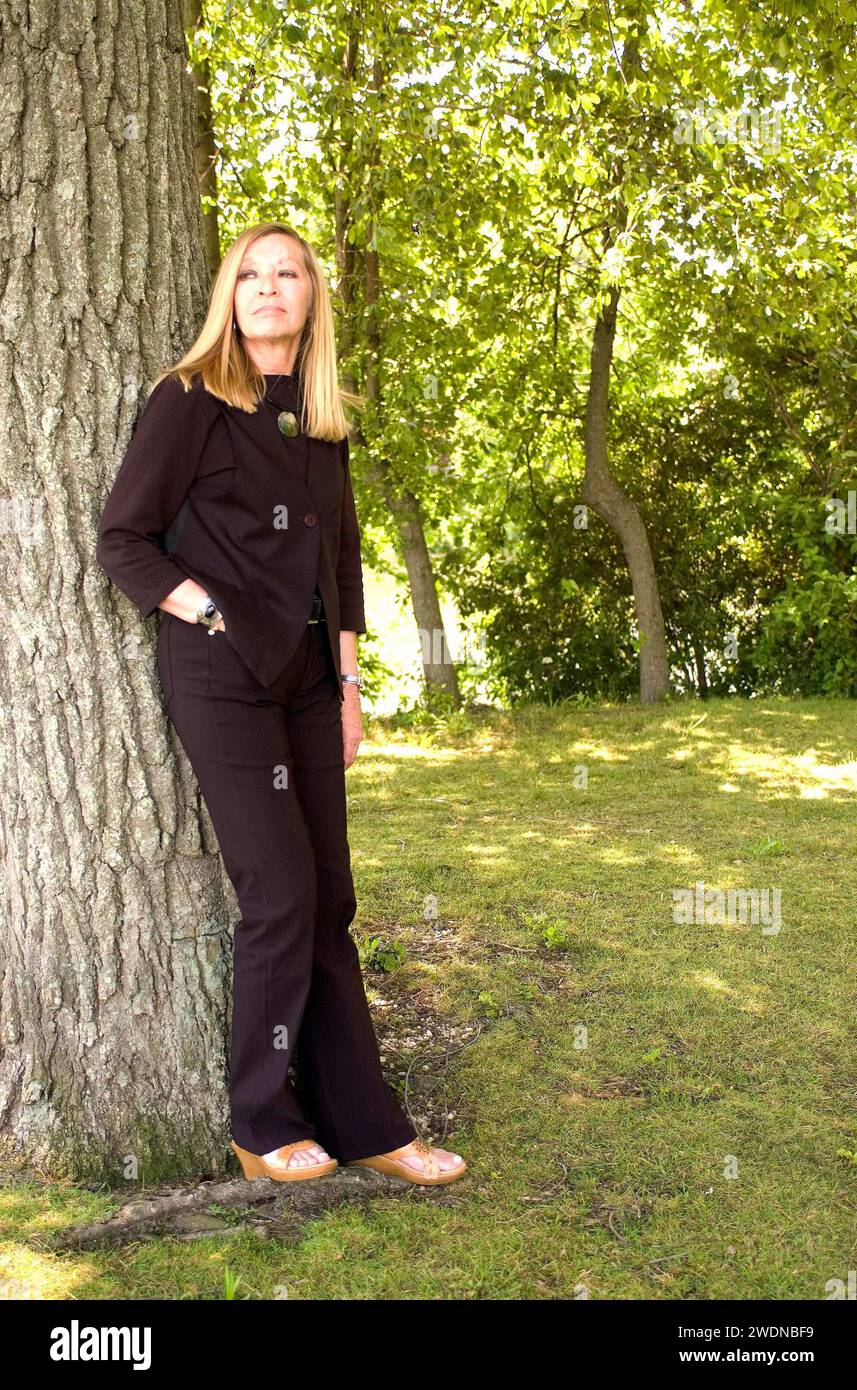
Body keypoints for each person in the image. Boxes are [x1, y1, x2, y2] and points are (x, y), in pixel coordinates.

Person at [95, 220, 466, 1187]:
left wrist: (347, 687)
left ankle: (370, 1125)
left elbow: (338, 560)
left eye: (288, 273)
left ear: (310, 297)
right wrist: (209, 609)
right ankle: (262, 1125)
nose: (268, 288)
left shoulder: (320, 413)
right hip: (221, 674)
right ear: (231, 295)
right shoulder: (188, 400)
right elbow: (124, 540)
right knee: (281, 894)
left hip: (309, 679)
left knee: (330, 901)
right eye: (251, 274)